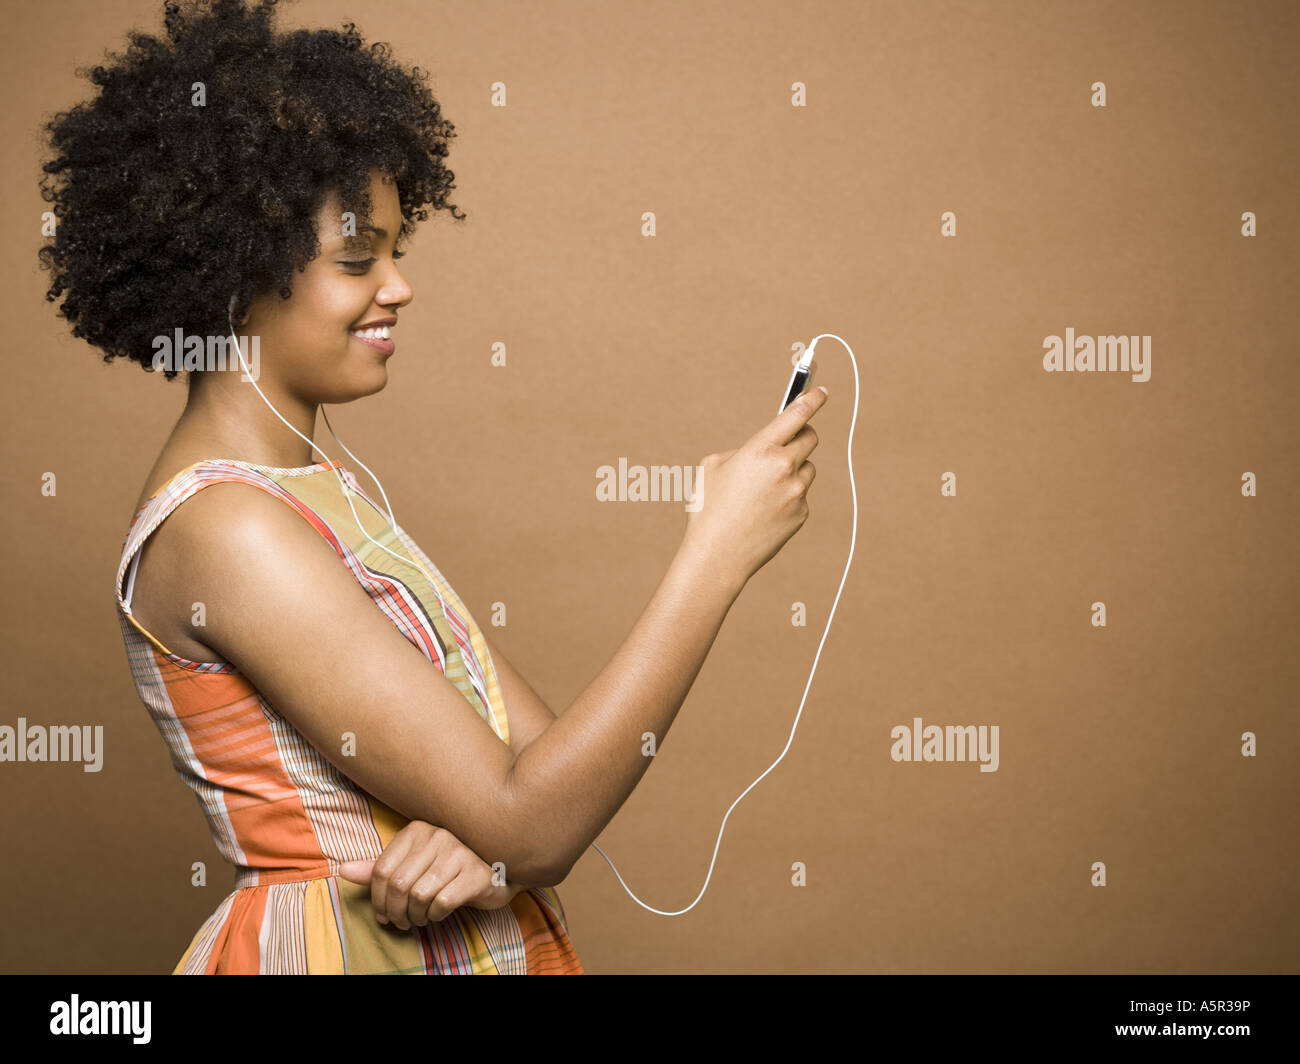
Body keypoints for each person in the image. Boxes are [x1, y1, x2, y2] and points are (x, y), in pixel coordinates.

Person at [39, 0, 826, 974]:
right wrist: (714, 557)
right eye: (359, 256)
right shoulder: (226, 529)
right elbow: (533, 819)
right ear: (232, 273)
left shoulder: (318, 486)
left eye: (396, 250)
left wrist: (484, 843)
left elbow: (545, 785)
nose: (398, 285)